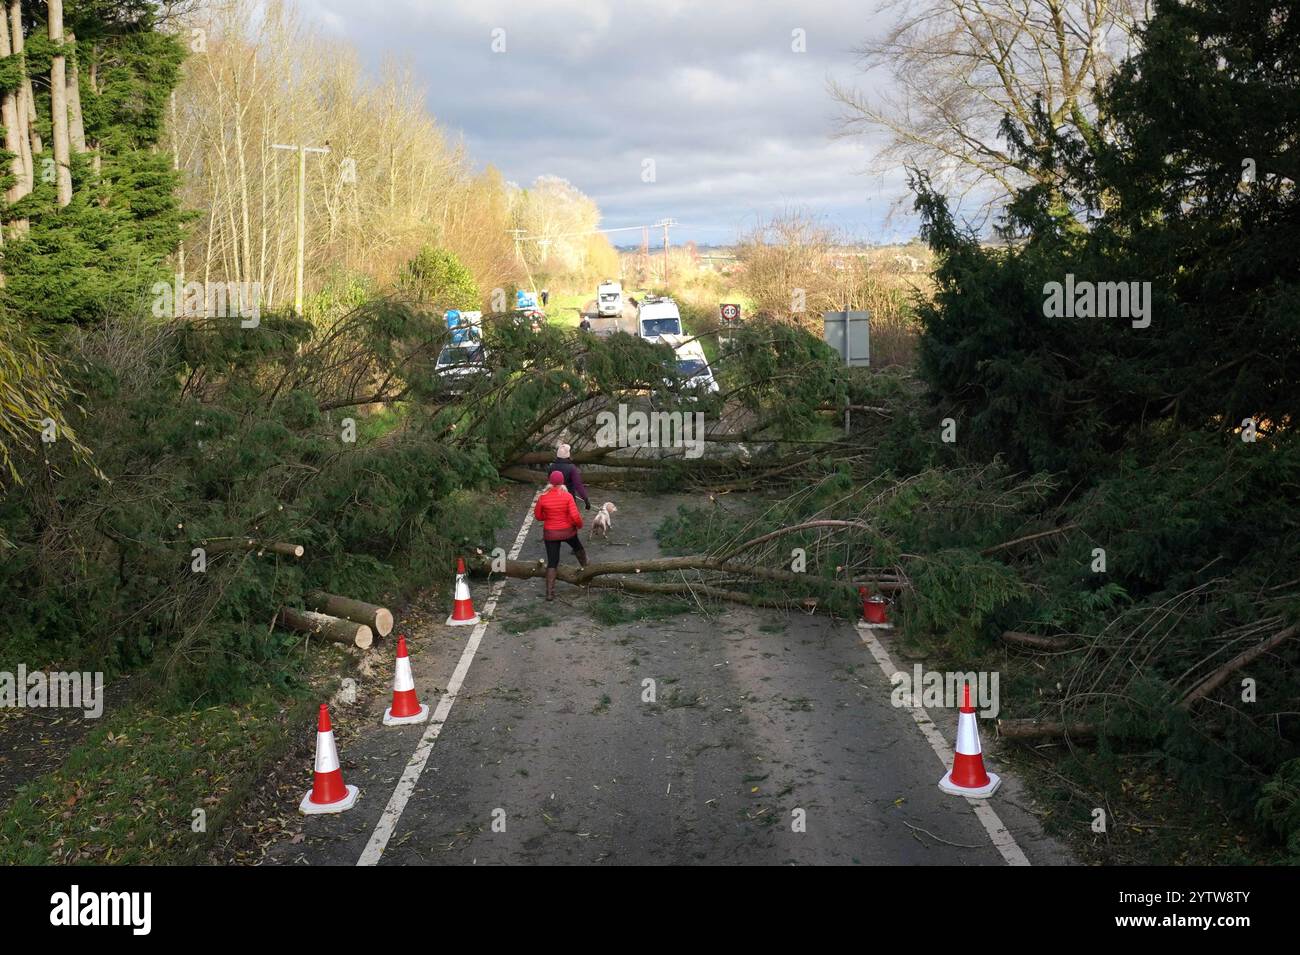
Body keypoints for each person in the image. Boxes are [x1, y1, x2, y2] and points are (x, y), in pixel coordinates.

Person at [534, 470, 587, 600]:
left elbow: (538, 516)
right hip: (568, 531)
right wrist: (579, 525)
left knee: (552, 562)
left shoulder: (543, 497)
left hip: (551, 533)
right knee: (578, 548)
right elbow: (575, 516)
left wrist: (548, 516)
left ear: (550, 482)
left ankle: (549, 593)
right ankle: (587, 571)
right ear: (562, 481)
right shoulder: (567, 496)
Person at [548, 442, 590, 510]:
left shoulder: (552, 467)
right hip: (568, 499)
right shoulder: (572, 468)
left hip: (554, 499)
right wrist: (585, 499)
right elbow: (578, 485)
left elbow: (550, 483)